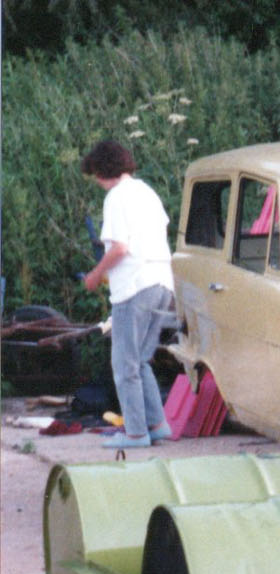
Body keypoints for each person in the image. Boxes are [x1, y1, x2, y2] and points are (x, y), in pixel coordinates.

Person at [80, 139, 176, 449]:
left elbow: (120, 247)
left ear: (101, 169)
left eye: (94, 174)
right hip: (162, 282)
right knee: (141, 360)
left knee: (124, 365)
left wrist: (97, 275)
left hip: (135, 287)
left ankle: (136, 432)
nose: (95, 181)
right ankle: (157, 424)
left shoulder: (117, 197)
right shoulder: (146, 192)